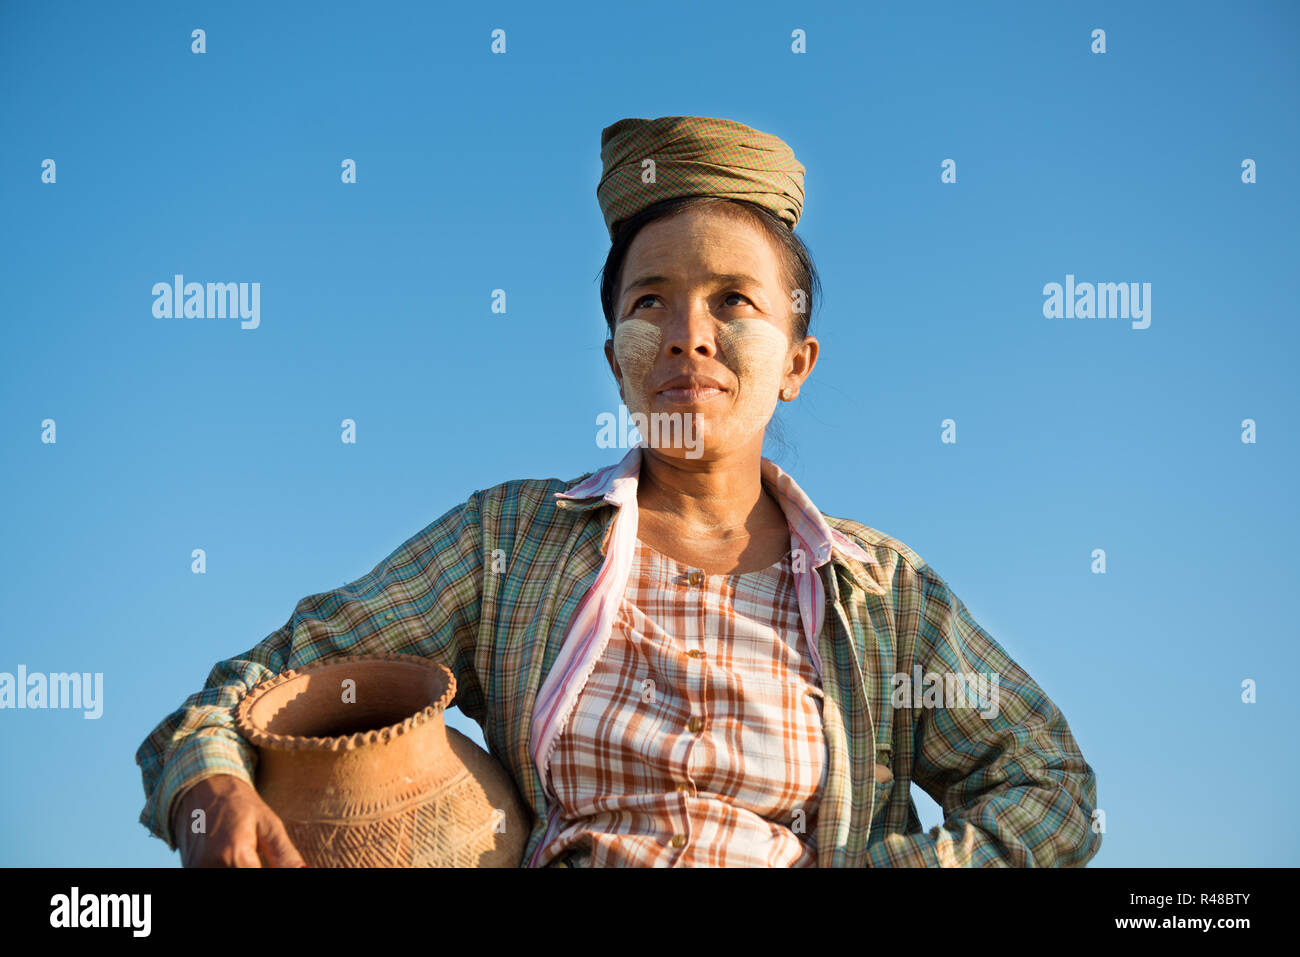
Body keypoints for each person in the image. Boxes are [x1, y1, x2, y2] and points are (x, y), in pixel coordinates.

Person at [136, 115, 1101, 867]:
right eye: (651, 301)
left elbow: (1048, 786)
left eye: (735, 299)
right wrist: (208, 790)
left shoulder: (881, 590)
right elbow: (249, 693)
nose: (689, 332)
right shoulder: (507, 540)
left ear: (796, 361)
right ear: (615, 361)